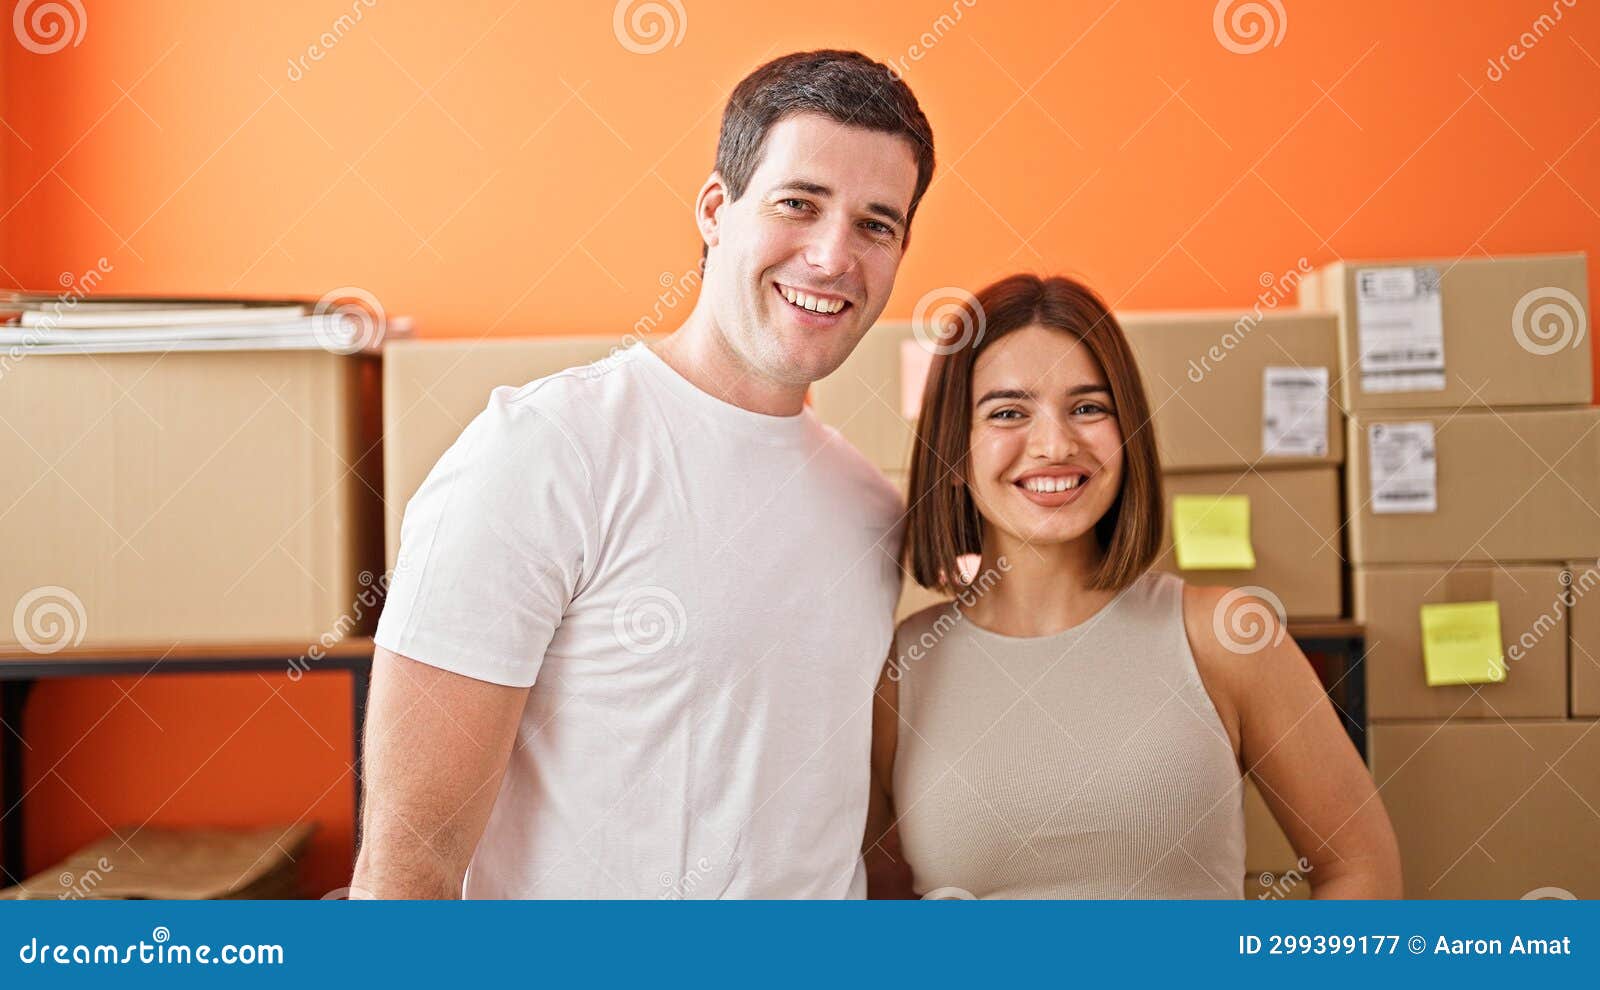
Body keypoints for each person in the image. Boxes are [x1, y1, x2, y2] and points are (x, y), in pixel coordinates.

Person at [354, 50, 935, 898]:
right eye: (798, 205)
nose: (831, 256)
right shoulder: (543, 452)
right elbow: (410, 865)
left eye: (875, 225)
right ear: (714, 210)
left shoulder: (871, 511)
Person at [865, 273, 1402, 899]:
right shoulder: (902, 670)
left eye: (1088, 408)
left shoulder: (1227, 636)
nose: (1053, 444)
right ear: (954, 453)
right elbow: (879, 900)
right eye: (1008, 412)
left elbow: (1360, 868)